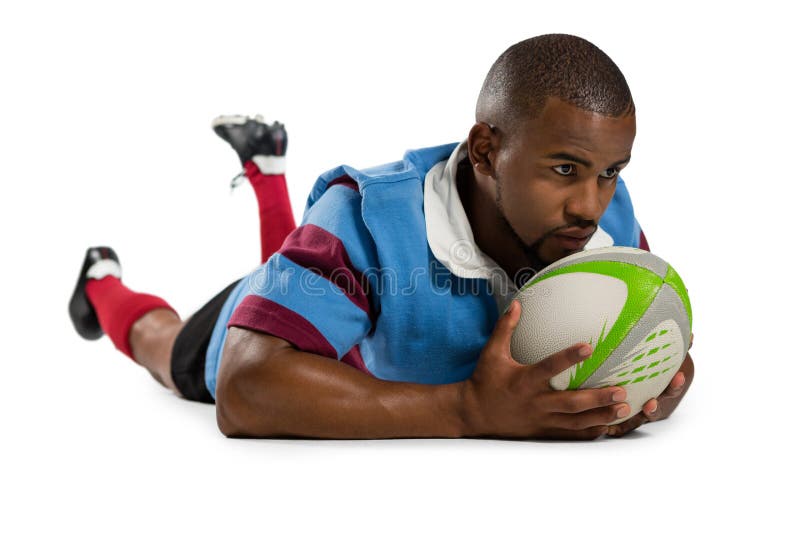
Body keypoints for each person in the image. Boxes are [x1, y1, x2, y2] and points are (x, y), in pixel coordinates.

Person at [68, 34, 694, 440]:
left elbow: (644, 334)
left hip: (325, 290)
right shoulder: (363, 219)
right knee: (164, 343)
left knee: (309, 281)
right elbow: (245, 386)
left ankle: (265, 172)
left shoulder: (602, 218)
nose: (591, 205)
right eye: (564, 170)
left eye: (611, 172)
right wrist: (468, 411)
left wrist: (650, 385)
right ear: (485, 151)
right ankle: (100, 282)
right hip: (260, 322)